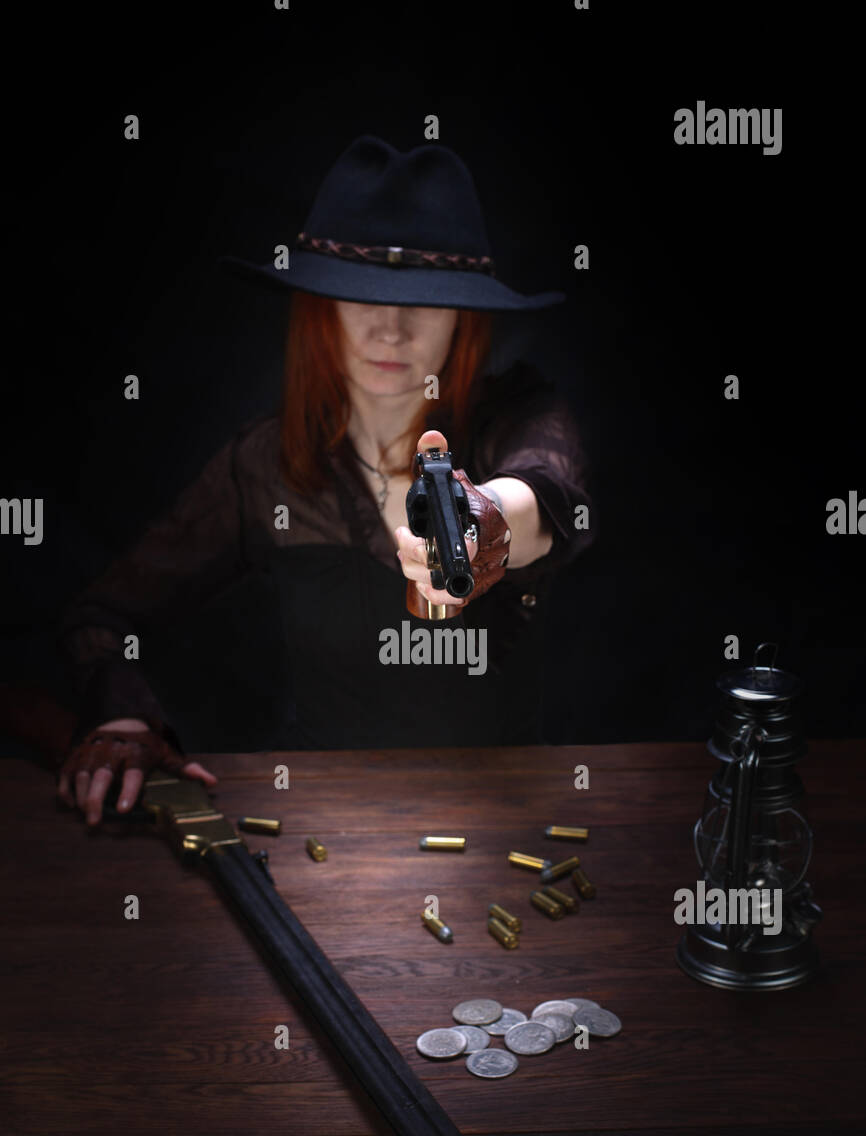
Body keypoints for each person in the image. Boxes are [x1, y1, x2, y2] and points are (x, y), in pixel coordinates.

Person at [57, 135, 593, 826]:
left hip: (504, 820)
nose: (389, 330)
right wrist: (123, 718)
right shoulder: (264, 462)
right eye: (359, 296)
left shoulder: (523, 418)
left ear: (464, 319)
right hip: (314, 821)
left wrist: (482, 520)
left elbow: (543, 495)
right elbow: (103, 616)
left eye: (424, 302)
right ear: (320, 308)